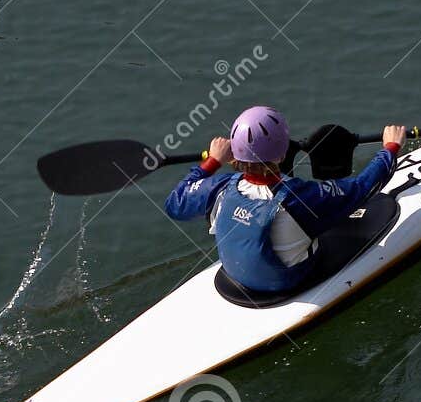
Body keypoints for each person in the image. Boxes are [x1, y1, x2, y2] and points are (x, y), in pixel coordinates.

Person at [164, 106, 406, 294]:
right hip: (289, 281)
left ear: (234, 155)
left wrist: (212, 162)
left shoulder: (218, 186)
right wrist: (390, 149)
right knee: (335, 212)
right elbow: (363, 187)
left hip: (237, 275)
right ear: (281, 154)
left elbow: (175, 204)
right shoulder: (302, 198)